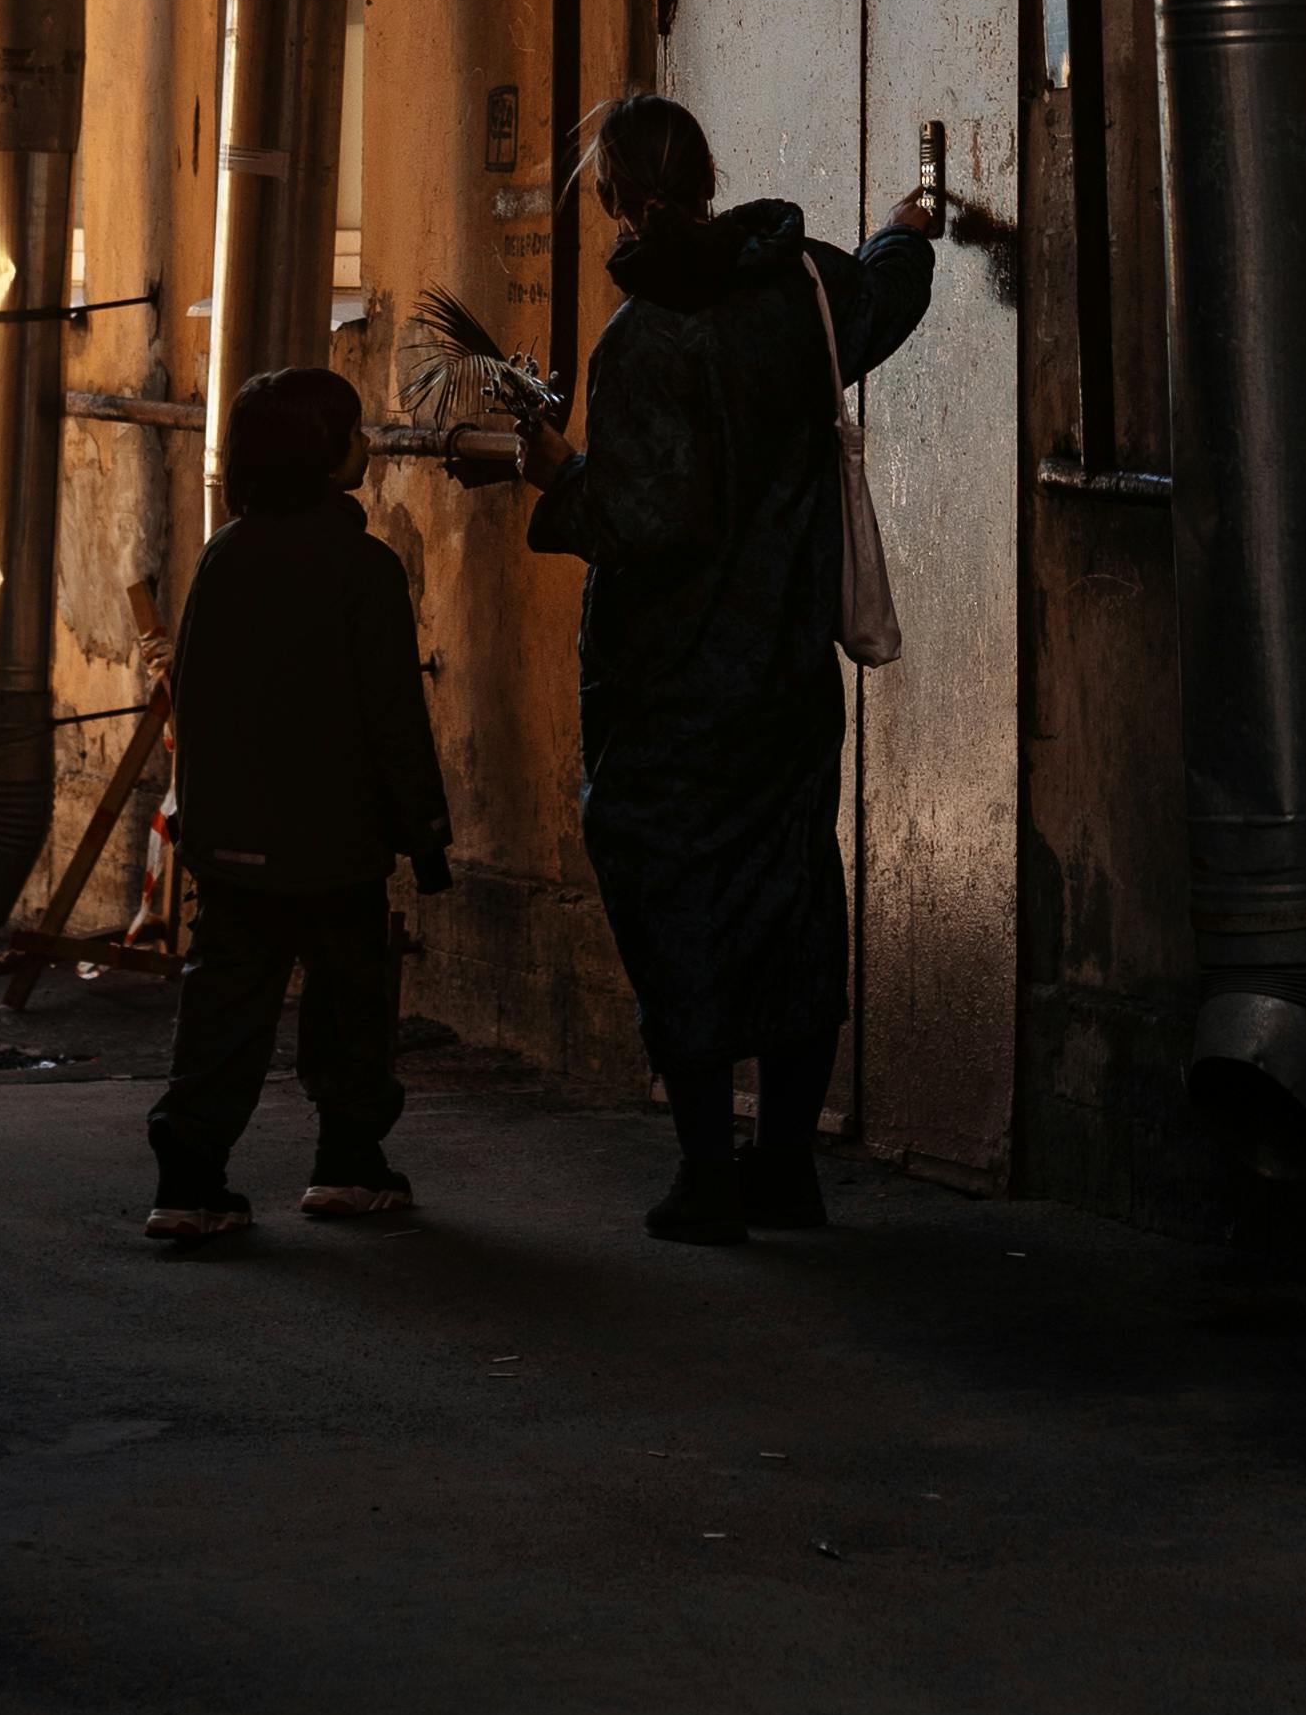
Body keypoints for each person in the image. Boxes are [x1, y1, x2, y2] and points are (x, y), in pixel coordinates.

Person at [522, 93, 938, 1246]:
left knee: (677, 919)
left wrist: (552, 473)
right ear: (707, 175)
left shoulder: (640, 341)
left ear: (610, 195)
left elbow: (649, 518)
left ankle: (708, 1174)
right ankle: (787, 1167)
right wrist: (907, 223)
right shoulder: (801, 291)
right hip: (783, 674)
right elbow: (885, 291)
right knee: (793, 905)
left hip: (666, 696)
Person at [146, 365, 455, 1252]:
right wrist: (424, 835)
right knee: (351, 1005)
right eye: (352, 432)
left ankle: (190, 1177)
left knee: (224, 1007)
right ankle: (348, 1164)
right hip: (339, 844)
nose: (367, 444)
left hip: (233, 844)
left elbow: (194, 703)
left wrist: (201, 827)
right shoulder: (364, 568)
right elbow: (393, 716)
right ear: (322, 455)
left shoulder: (223, 557)